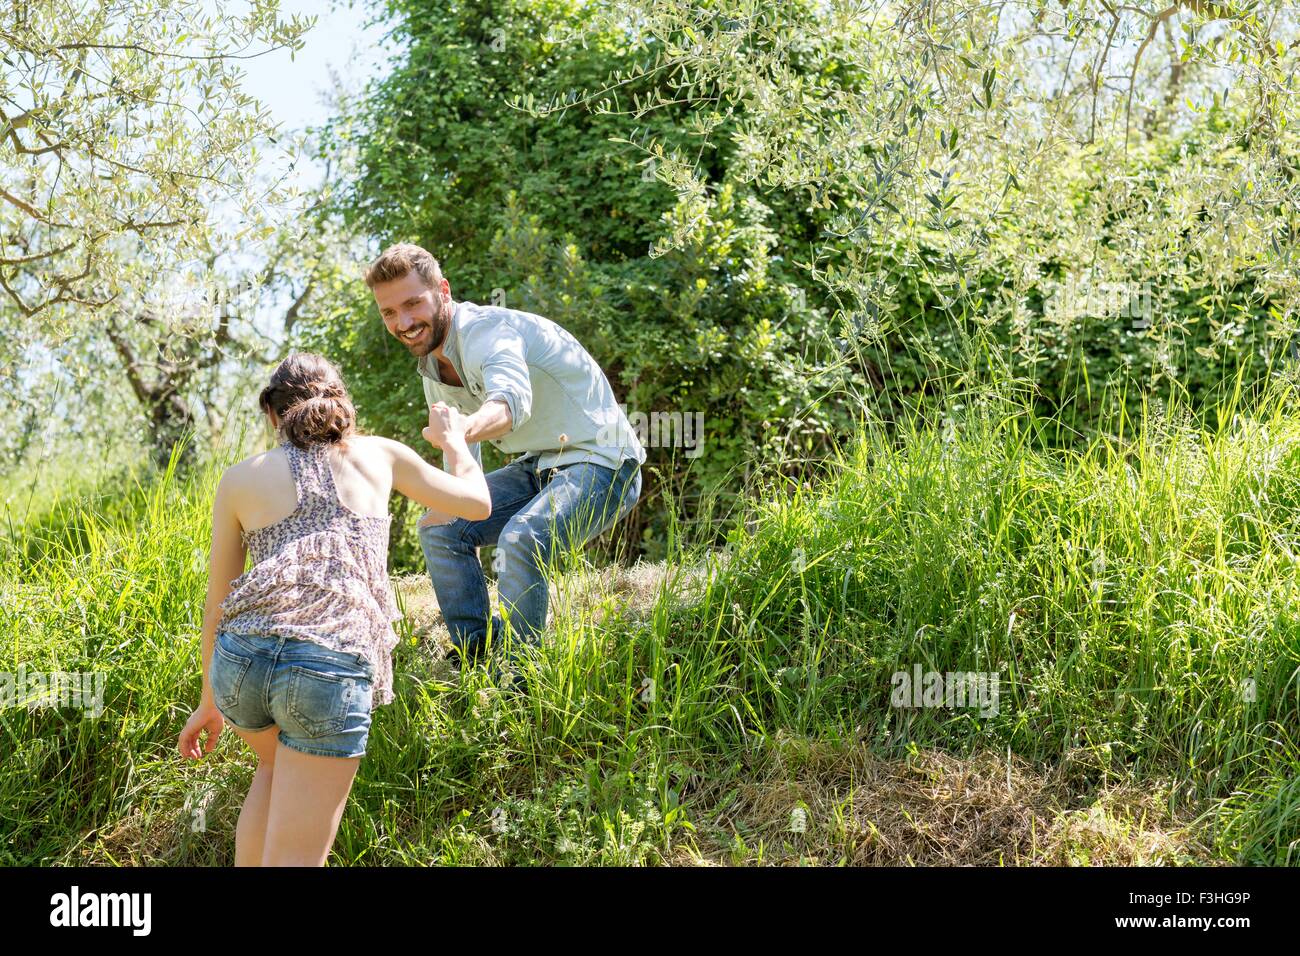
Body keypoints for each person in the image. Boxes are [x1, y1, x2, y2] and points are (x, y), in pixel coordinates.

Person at [177, 352, 490, 866]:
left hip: (242, 665)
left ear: (273, 415)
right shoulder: (383, 455)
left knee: (274, 771)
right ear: (341, 405)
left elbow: (219, 600)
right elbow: (476, 505)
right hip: (327, 666)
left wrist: (209, 700)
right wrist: (455, 443)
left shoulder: (239, 478)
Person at [366, 243, 645, 679]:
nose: (403, 323)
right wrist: (449, 502)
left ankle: (522, 677)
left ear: (442, 290)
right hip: (538, 468)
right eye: (388, 313)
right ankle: (475, 656)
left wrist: (463, 429)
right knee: (439, 529)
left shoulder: (486, 332)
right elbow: (463, 463)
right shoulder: (431, 367)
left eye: (412, 304)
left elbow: (512, 403)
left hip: (604, 464)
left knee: (521, 539)